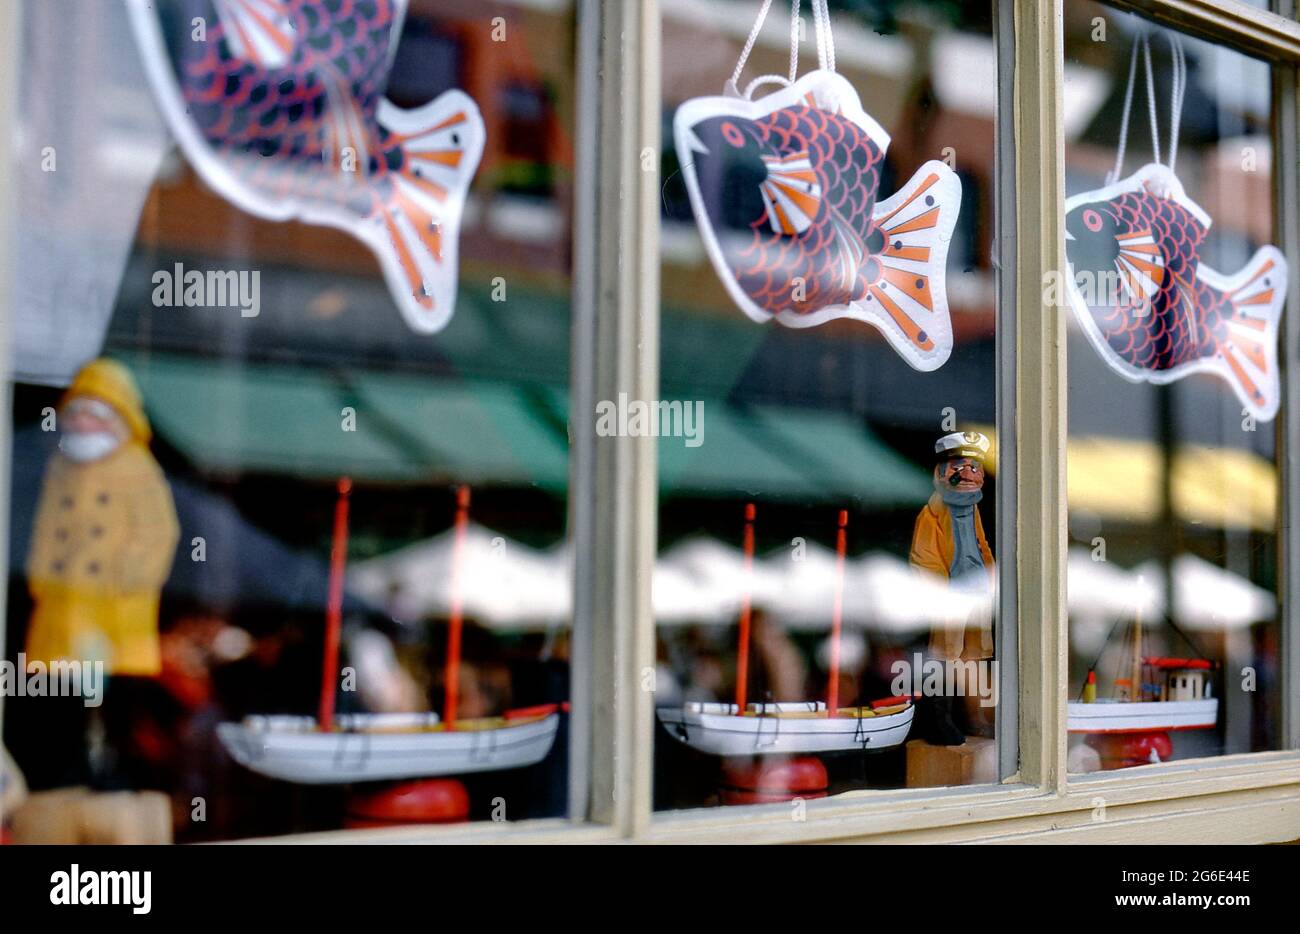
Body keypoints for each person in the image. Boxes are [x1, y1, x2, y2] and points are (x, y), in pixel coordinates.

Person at [909, 431, 995, 744]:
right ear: (943, 473)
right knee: (946, 657)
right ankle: (940, 718)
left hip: (976, 595)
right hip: (951, 597)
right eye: (960, 466)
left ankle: (977, 717)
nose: (969, 473)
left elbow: (981, 545)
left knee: (973, 657)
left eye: (975, 467)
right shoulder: (930, 515)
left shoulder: (973, 511)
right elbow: (924, 558)